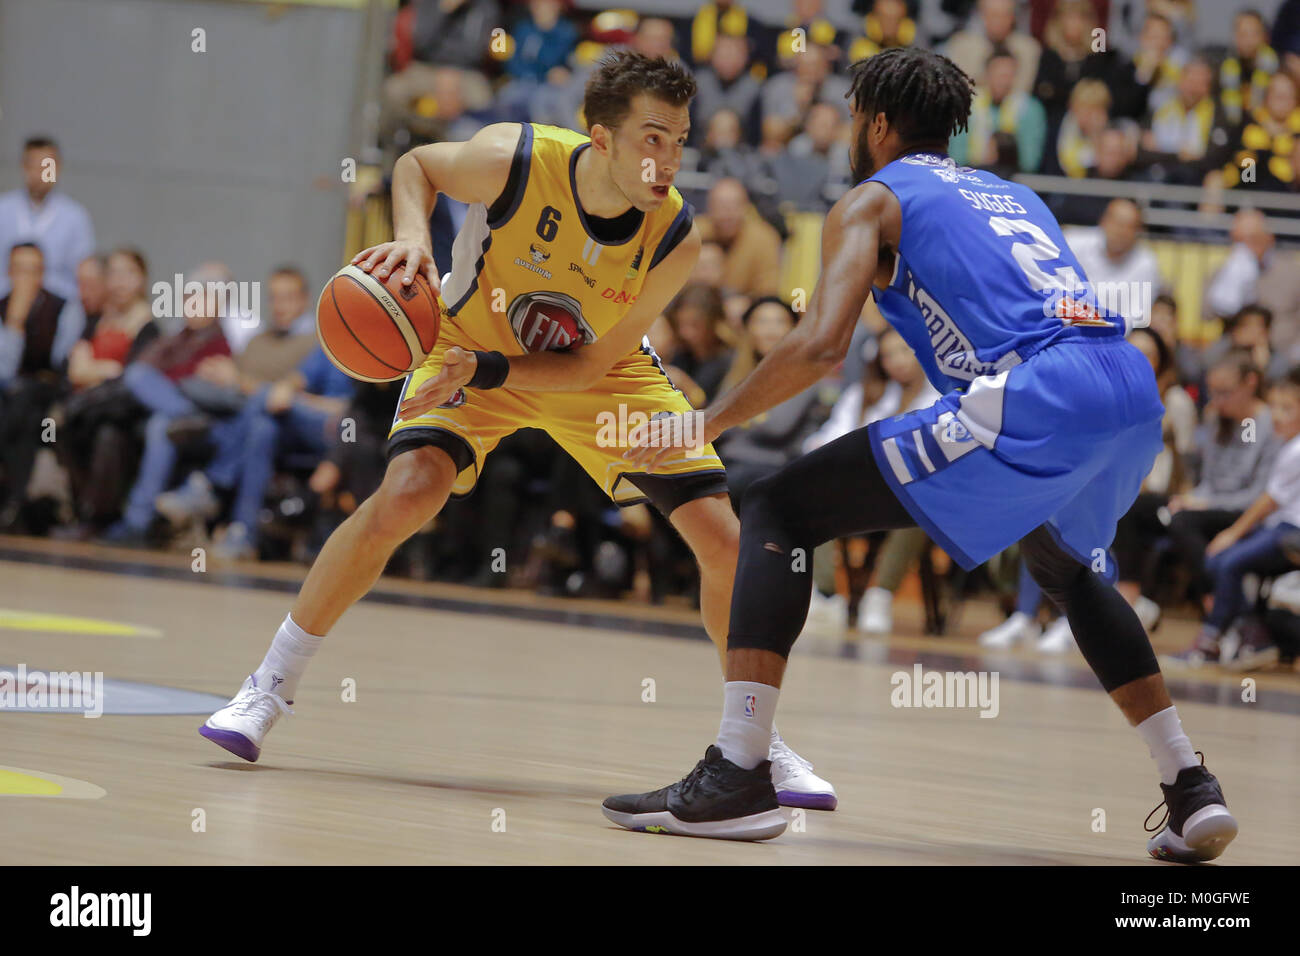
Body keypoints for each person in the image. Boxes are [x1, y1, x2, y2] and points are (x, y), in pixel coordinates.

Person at [604, 46, 1237, 864]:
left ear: (875, 125)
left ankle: (737, 772)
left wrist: (709, 420)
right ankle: (1190, 788)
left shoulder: (872, 196)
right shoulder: (1014, 195)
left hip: (1043, 391)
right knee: (1067, 569)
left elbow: (822, 345)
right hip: (1127, 387)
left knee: (776, 509)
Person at [197, 51, 835, 809]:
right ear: (601, 139)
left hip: (596, 377)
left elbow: (593, 359)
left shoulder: (675, 238)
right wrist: (411, 241)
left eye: (679, 141)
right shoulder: (515, 157)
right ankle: (269, 686)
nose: (667, 161)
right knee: (407, 493)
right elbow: (416, 166)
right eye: (652, 138)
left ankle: (753, 743)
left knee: (722, 536)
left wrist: (494, 377)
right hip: (467, 342)